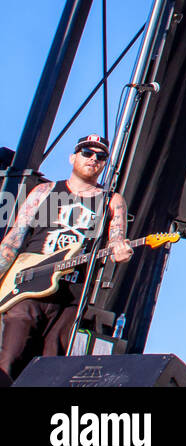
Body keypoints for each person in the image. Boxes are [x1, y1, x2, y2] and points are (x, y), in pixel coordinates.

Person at [0, 134, 133, 382]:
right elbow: (13, 240)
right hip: (27, 287)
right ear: (73, 157)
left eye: (100, 156)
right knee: (9, 359)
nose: (93, 158)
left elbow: (117, 239)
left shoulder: (112, 201)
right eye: (87, 152)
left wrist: (120, 250)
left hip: (71, 294)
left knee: (49, 371)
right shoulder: (44, 191)